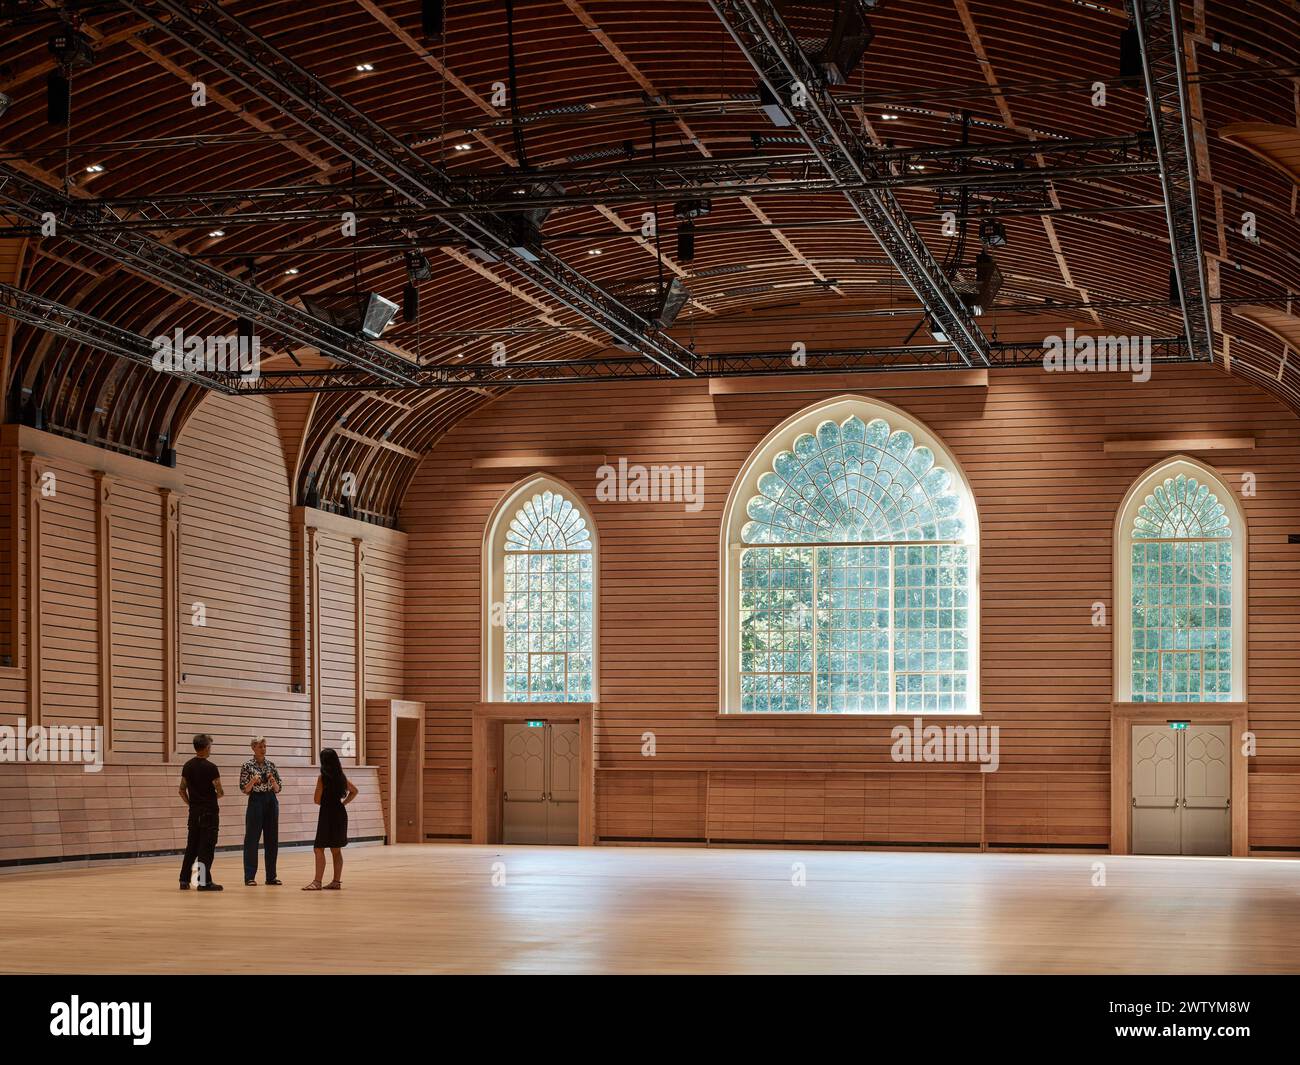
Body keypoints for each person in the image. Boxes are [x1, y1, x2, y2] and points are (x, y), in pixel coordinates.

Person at [304, 747, 358, 891]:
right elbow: (354, 791)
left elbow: (316, 800)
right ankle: (336, 881)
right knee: (336, 849)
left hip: (327, 814)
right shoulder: (341, 776)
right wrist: (343, 803)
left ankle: (317, 882)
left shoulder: (322, 778)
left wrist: (326, 802)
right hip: (340, 813)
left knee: (318, 848)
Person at [178, 733, 223, 891]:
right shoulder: (211, 768)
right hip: (209, 813)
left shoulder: (187, 766)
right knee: (206, 848)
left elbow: (181, 790)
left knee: (192, 846)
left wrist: (192, 803)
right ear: (206, 747)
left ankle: (184, 880)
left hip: (194, 812)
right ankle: (203, 881)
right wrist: (210, 798)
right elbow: (220, 791)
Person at [240, 736, 283, 886]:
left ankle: (271, 876)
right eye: (260, 747)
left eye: (265, 746)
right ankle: (249, 877)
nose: (263, 749)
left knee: (272, 840)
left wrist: (272, 781)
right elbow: (244, 789)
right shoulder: (247, 765)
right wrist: (253, 780)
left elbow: (278, 789)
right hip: (256, 801)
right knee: (252, 839)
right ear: (253, 748)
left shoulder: (271, 765)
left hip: (271, 800)